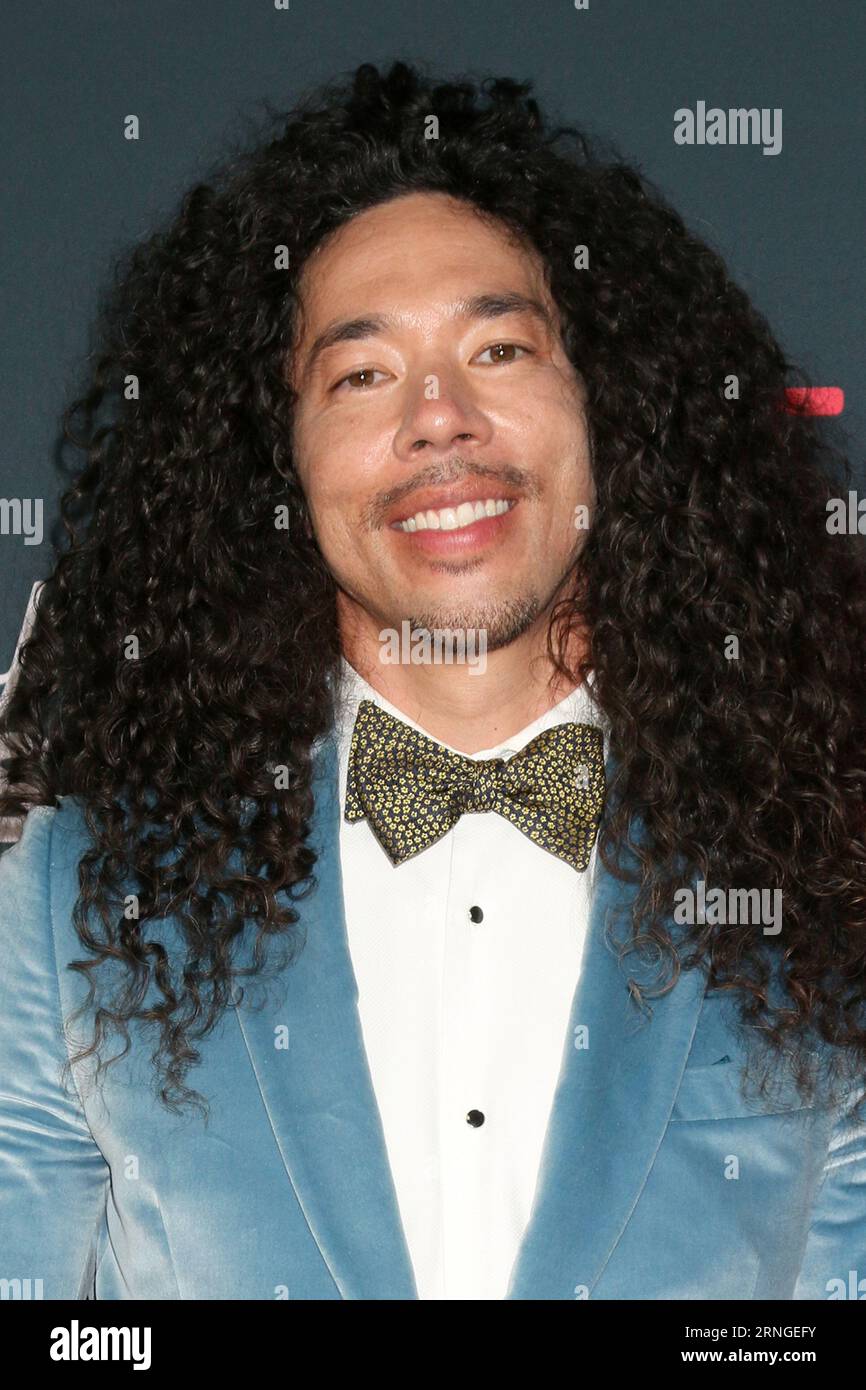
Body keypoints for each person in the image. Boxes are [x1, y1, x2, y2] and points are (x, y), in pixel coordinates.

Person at [1, 59, 865, 1302]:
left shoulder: (817, 860)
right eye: (361, 374)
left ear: (607, 405)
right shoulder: (79, 891)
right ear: (276, 459)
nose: (438, 417)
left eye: (499, 346)